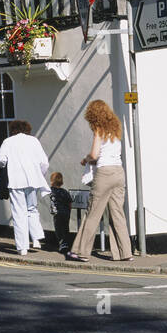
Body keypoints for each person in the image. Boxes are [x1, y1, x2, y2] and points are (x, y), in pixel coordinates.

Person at [68, 99, 134, 263]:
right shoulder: (116, 130)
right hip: (119, 172)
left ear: (93, 115)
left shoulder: (99, 130)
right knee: (118, 213)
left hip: (104, 173)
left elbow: (95, 155)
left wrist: (85, 159)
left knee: (93, 213)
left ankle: (81, 252)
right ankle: (124, 253)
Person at [0, 119, 51, 256]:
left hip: (15, 181)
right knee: (32, 208)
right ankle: (37, 239)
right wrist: (39, 174)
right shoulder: (34, 141)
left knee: (19, 213)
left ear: (13, 129)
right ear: (27, 129)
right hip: (32, 180)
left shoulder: (8, 142)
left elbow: (1, 159)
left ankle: (22, 247)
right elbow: (44, 163)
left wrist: (7, 167)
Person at [47, 171, 73, 254]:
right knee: (65, 228)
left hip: (57, 213)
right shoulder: (65, 191)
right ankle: (67, 244)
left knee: (59, 229)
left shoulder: (51, 190)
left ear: (52, 181)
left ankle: (62, 245)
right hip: (66, 212)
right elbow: (70, 202)